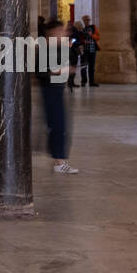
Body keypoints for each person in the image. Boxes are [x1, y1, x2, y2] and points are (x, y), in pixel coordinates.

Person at [37, 18, 79, 173]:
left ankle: (58, 159)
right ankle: (59, 162)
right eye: (61, 31)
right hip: (50, 91)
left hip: (57, 91)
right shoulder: (44, 49)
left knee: (59, 125)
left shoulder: (57, 48)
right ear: (52, 33)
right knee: (57, 125)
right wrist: (61, 71)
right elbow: (41, 72)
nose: (64, 34)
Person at [82, 21, 100, 87]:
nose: (87, 20)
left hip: (92, 50)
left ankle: (91, 82)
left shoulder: (93, 28)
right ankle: (83, 81)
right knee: (83, 66)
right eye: (85, 19)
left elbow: (98, 37)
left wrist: (91, 35)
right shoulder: (82, 28)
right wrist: (83, 41)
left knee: (92, 67)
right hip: (85, 51)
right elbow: (80, 39)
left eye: (88, 19)